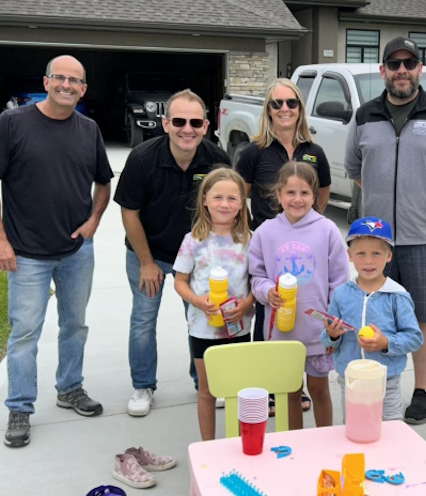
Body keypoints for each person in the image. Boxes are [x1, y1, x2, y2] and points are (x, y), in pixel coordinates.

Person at [0, 55, 112, 448]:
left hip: (75, 251)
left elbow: (103, 184)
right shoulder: (14, 123)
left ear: (83, 89)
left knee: (75, 325)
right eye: (60, 78)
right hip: (26, 253)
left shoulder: (88, 130)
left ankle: (69, 388)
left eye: (76, 81)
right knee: (25, 334)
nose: (67, 85)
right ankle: (20, 406)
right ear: (47, 81)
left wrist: (94, 222)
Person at [344, 35, 426, 425]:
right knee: (377, 315)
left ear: (420, 69)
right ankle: (381, 384)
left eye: (409, 63)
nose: (402, 70)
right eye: (394, 64)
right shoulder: (364, 116)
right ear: (383, 70)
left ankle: (421, 389)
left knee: (420, 316)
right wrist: (383, 205)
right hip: (377, 241)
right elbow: (356, 170)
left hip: (423, 238)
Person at [113, 89, 231, 417]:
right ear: (165, 124)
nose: (187, 129)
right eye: (179, 121)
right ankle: (142, 386)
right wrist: (148, 263)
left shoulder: (217, 160)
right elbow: (129, 212)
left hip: (196, 258)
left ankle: (205, 383)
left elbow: (226, 207)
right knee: (143, 319)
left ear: (207, 126)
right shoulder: (142, 158)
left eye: (195, 122)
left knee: (201, 320)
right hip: (147, 251)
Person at [238, 78, 332, 412]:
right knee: (270, 318)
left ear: (300, 108)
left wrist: (310, 227)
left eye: (291, 102)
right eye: (276, 103)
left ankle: (300, 388)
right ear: (268, 110)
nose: (284, 109)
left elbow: (321, 195)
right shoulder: (254, 152)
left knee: (306, 318)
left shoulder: (315, 151)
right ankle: (274, 387)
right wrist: (254, 234)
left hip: (307, 245)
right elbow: (240, 197)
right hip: (271, 243)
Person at [248, 163, 349, 429]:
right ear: (278, 194)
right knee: (291, 392)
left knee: (318, 389)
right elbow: (256, 277)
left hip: (318, 331)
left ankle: (324, 439)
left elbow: (339, 281)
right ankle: (296, 444)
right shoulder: (265, 233)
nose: (297, 199)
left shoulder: (327, 230)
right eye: (290, 192)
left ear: (314, 196)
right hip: (282, 331)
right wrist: (266, 291)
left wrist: (333, 323)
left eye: (304, 192)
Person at [172, 168, 254, 440]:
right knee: (207, 391)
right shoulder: (193, 240)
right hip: (203, 330)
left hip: (238, 329)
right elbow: (180, 281)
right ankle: (209, 444)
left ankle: (238, 442)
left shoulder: (249, 240)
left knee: (238, 390)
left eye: (232, 198)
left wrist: (246, 304)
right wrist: (196, 300)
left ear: (242, 203)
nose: (224, 204)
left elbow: (257, 282)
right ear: (205, 200)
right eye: (218, 197)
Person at [322, 217, 423, 421]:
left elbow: (414, 338)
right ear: (350, 255)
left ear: (389, 256)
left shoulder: (397, 295)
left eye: (376, 253)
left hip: (386, 380)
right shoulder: (341, 294)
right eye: (361, 253)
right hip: (352, 380)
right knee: (354, 427)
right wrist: (332, 335)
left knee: (389, 431)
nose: (369, 261)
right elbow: (327, 339)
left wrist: (385, 342)